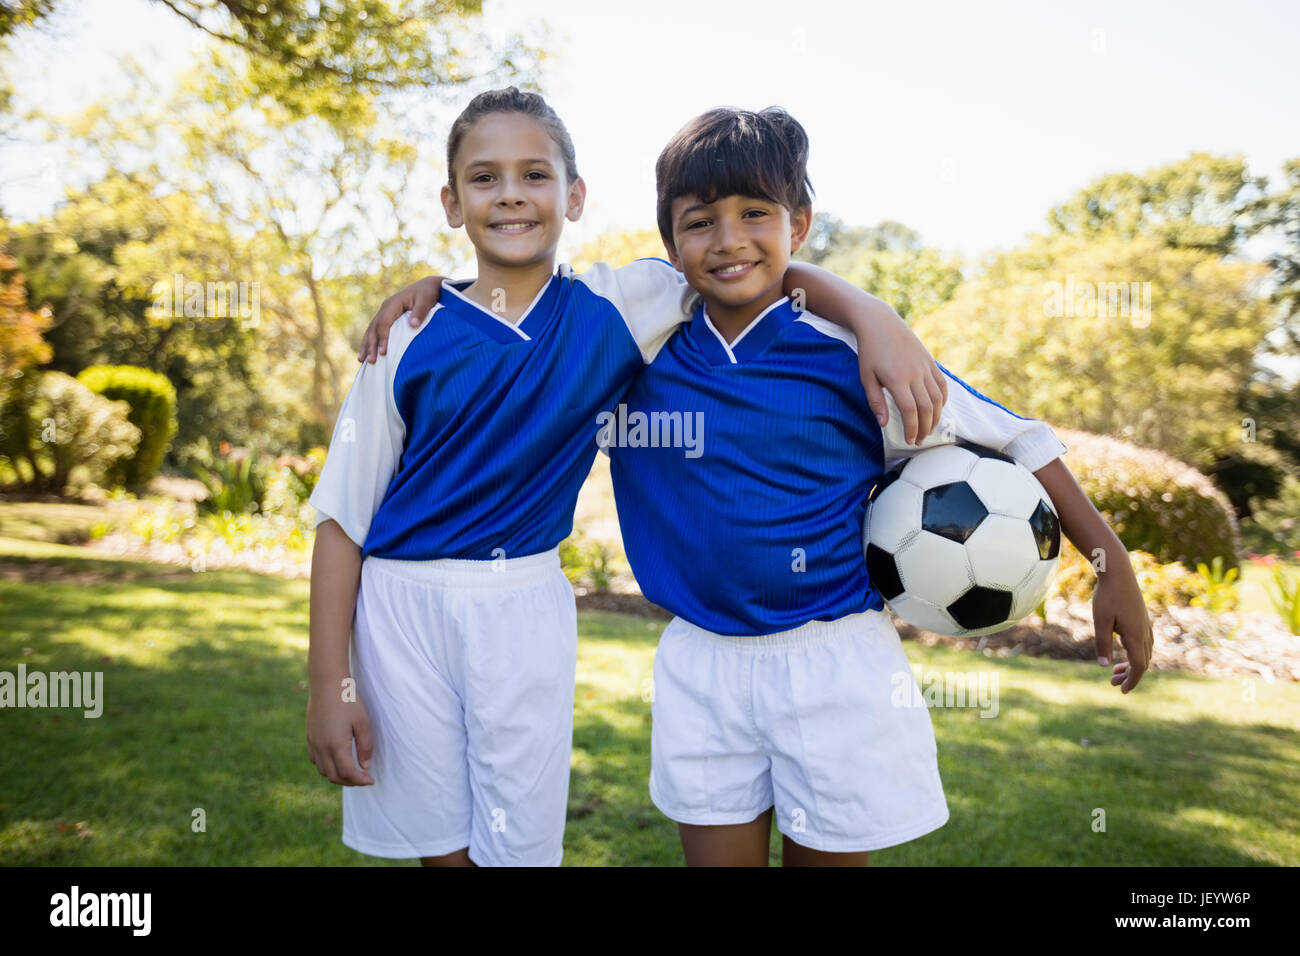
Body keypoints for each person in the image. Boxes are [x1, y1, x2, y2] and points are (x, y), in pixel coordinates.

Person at [311, 87, 952, 867]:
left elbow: (751, 261)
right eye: (484, 178)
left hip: (524, 603)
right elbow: (343, 518)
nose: (510, 192)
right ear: (452, 202)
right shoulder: (410, 334)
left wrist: (869, 311)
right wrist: (330, 684)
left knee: (517, 849)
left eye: (534, 174)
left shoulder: (629, 301)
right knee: (440, 847)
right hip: (399, 611)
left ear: (573, 196)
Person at [602, 105, 1155, 866]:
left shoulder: (858, 357)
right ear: (670, 243)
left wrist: (1109, 561)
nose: (728, 239)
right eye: (700, 221)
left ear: (798, 225)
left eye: (754, 213)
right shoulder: (638, 353)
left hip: (835, 662)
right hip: (701, 663)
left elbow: (1013, 436)